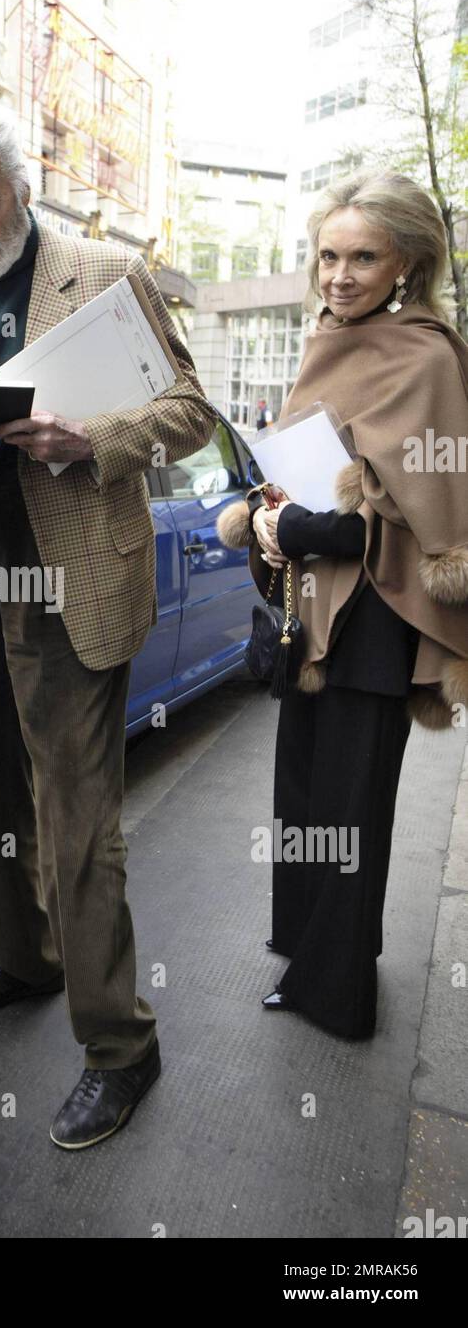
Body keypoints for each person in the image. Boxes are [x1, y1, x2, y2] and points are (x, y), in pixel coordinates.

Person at [0, 104, 220, 1149]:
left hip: (71, 558)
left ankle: (120, 1045)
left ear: (20, 182)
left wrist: (92, 437)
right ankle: (22, 957)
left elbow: (190, 408)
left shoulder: (105, 269)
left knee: (78, 822)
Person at [218, 171, 468, 1039]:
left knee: (350, 807)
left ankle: (341, 996)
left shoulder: (428, 355)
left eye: (363, 256)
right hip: (309, 613)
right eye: (328, 255)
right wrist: (263, 512)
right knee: (301, 799)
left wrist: (316, 526)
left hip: (375, 625)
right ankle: (305, 954)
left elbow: (431, 517)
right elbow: (294, 467)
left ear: (406, 259)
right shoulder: (323, 339)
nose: (339, 275)